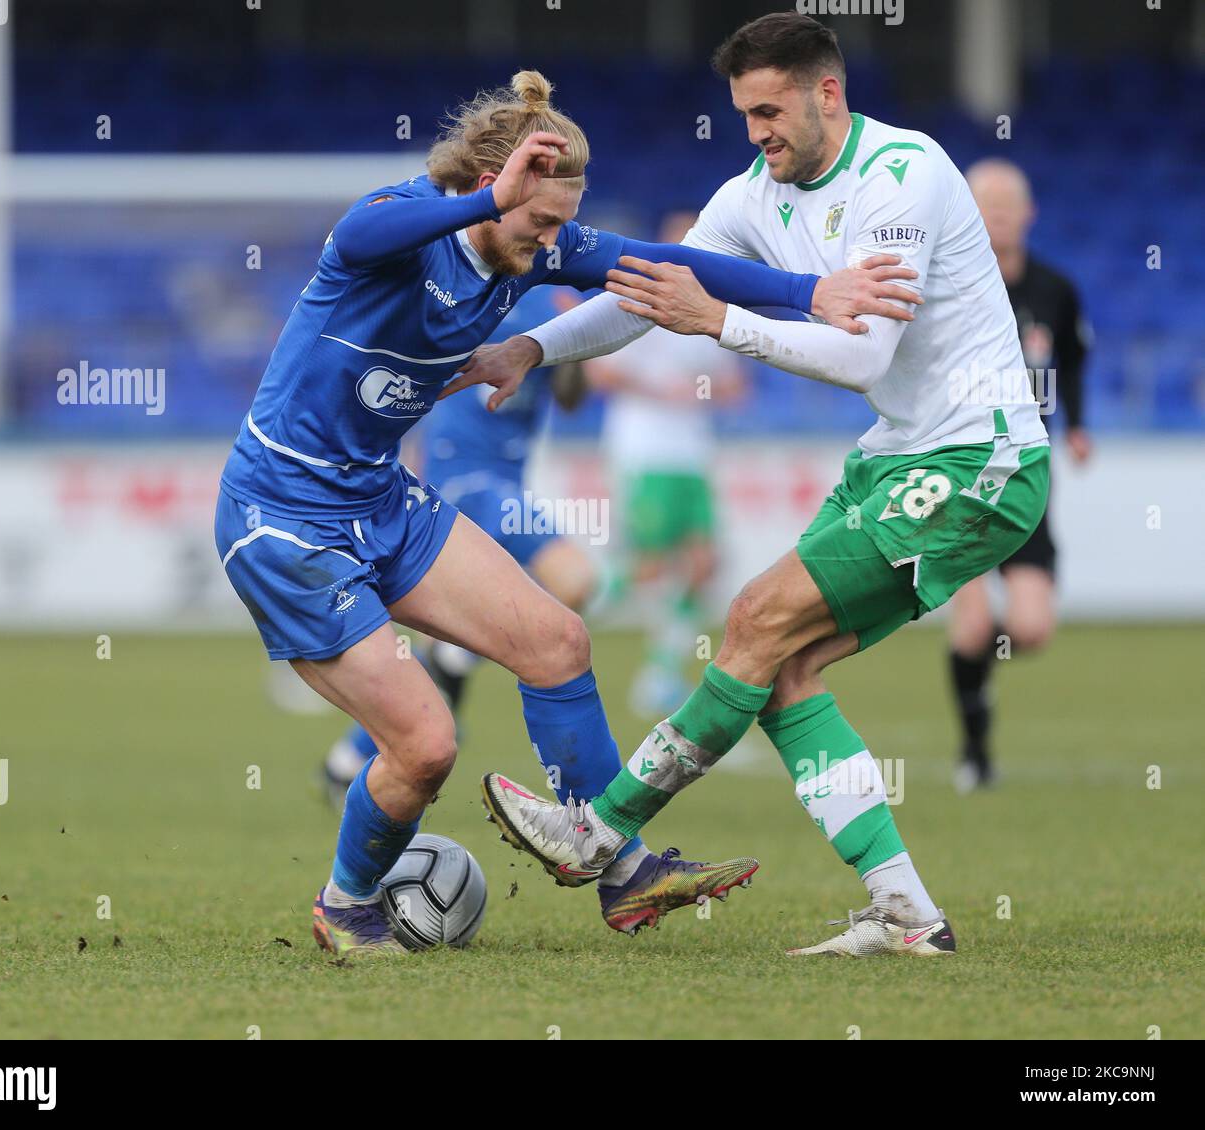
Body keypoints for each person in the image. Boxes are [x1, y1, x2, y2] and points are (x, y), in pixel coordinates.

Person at [213, 69, 920, 955]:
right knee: (426, 745)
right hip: (282, 516)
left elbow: (674, 269)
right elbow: (360, 230)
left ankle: (619, 871)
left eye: (560, 222)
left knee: (557, 642)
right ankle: (347, 907)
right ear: (484, 189)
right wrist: (481, 207)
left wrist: (811, 294)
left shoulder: (535, 245)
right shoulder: (401, 226)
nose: (552, 241)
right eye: (535, 217)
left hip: (379, 496)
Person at [457, 15, 1050, 958]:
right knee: (782, 674)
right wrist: (534, 345)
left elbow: (866, 351)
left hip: (977, 458)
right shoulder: (755, 191)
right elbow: (649, 290)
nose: (756, 132)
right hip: (897, 454)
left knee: (753, 620)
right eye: (743, 114)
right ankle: (906, 914)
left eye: (770, 111)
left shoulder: (906, 176)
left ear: (828, 94)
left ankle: (599, 830)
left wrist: (722, 323)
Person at [321, 285, 598, 794]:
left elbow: (572, 398)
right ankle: (461, 659)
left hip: (501, 481)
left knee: (438, 664)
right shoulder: (470, 294)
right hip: (469, 482)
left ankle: (348, 759)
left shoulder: (557, 301)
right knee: (575, 580)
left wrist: (574, 342)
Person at [946, 158, 1092, 792]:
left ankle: (974, 664)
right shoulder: (950, 286)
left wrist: (1080, 425)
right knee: (975, 623)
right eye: (986, 202)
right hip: (962, 471)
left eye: (1009, 202)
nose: (998, 213)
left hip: (1027, 472)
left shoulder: (1055, 290)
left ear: (1028, 213)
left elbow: (1074, 362)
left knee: (1030, 629)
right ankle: (975, 752)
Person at [583, 212, 747, 717]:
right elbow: (596, 373)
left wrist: (700, 392)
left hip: (691, 454)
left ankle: (660, 673)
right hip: (645, 450)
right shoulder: (637, 299)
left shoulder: (710, 312)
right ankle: (568, 605)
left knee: (703, 563)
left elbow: (738, 386)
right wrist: (658, 390)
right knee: (652, 564)